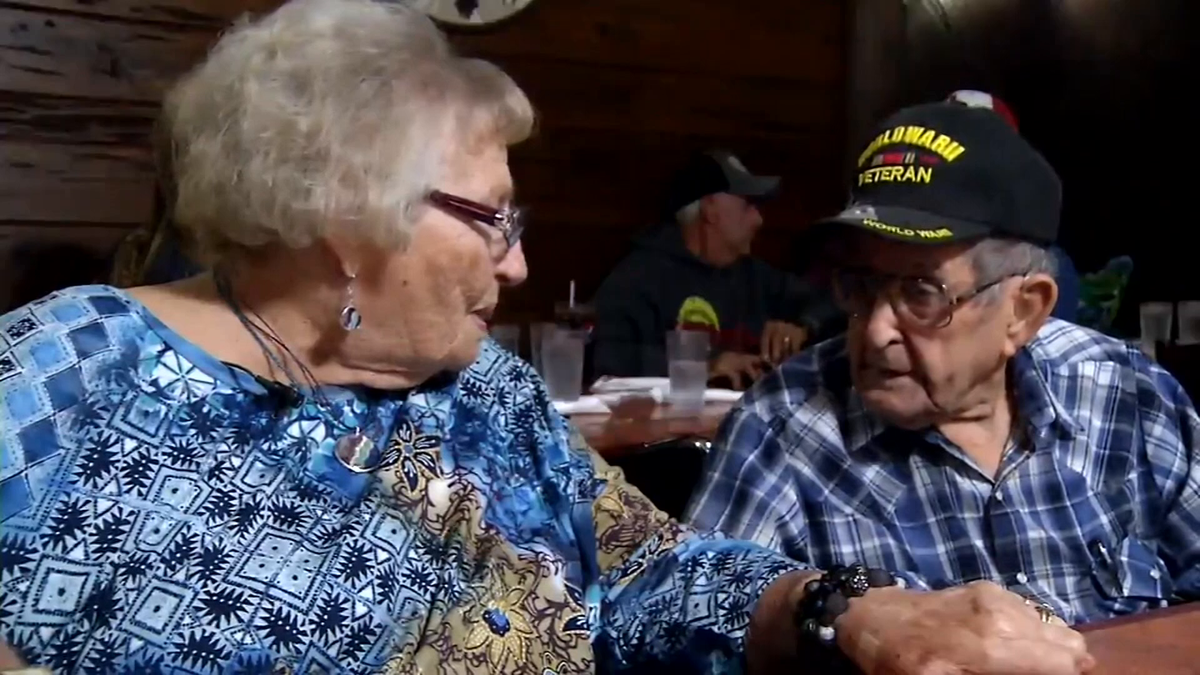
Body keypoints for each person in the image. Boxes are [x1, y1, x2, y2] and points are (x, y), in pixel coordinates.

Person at [0, 3, 1093, 672]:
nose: (517, 266)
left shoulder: (486, 394)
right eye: (493, 220)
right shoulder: (63, 373)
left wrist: (839, 612)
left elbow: (655, 575)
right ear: (345, 220)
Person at [687, 100, 1200, 629]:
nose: (878, 329)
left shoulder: (1123, 391)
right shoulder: (783, 427)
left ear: (1023, 313)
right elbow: (689, 625)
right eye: (862, 285)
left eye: (921, 292)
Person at [591, 151, 838, 389]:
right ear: (710, 210)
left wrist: (805, 326)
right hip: (665, 431)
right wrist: (705, 366)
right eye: (748, 206)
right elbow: (607, 360)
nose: (759, 220)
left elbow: (838, 304)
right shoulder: (638, 280)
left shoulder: (757, 277)